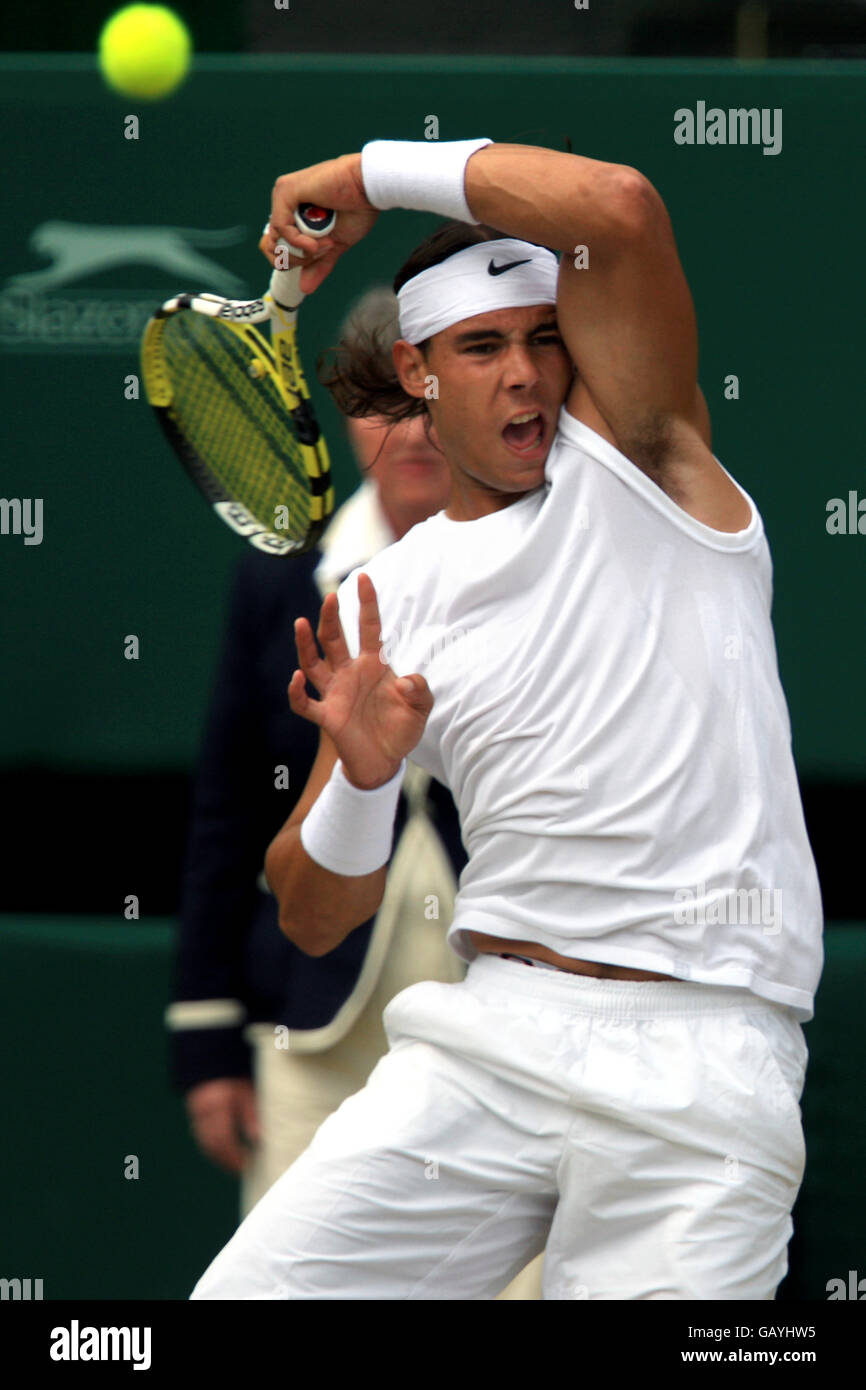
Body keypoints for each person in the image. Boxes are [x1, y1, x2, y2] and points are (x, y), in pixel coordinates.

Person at [190, 137, 823, 1300]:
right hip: (493, 1045)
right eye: (481, 347)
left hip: (703, 1060)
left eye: (544, 339)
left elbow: (619, 205)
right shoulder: (389, 597)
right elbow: (313, 916)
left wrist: (367, 177)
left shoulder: (648, 461)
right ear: (419, 373)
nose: (525, 374)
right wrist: (368, 777)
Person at [167, 284, 544, 1299]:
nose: (406, 430)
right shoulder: (280, 579)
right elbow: (228, 805)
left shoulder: (551, 559)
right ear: (340, 415)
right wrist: (206, 1031)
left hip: (512, 1014)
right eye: (379, 404)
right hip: (313, 1021)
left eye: (421, 398)